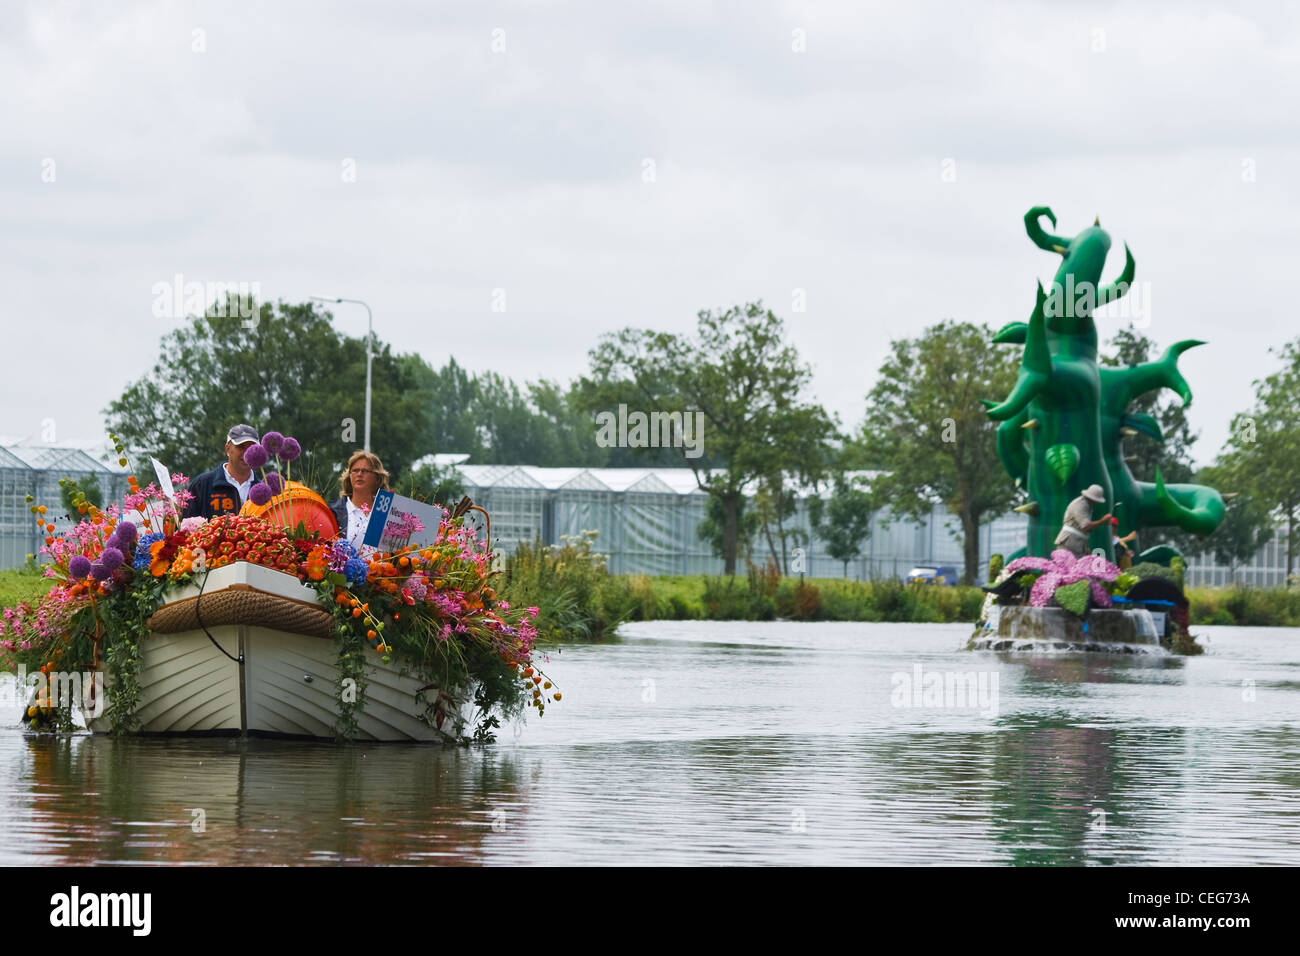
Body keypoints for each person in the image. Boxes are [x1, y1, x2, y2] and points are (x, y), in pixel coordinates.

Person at [183, 424, 266, 520]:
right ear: (227, 449)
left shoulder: (265, 491)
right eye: (241, 447)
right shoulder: (201, 484)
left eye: (251, 448)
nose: (247, 453)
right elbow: (185, 529)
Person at [331, 450, 391, 550]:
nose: (359, 474)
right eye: (355, 470)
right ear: (349, 476)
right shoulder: (334, 513)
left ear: (377, 477)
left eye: (365, 471)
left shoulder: (389, 512)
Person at [1054, 483, 1112, 557]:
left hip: (1077, 542)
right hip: (1069, 542)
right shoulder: (1080, 505)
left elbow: (1084, 531)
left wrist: (1085, 547)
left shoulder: (1088, 506)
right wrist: (1102, 520)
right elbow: (1086, 526)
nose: (1096, 502)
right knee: (1068, 566)